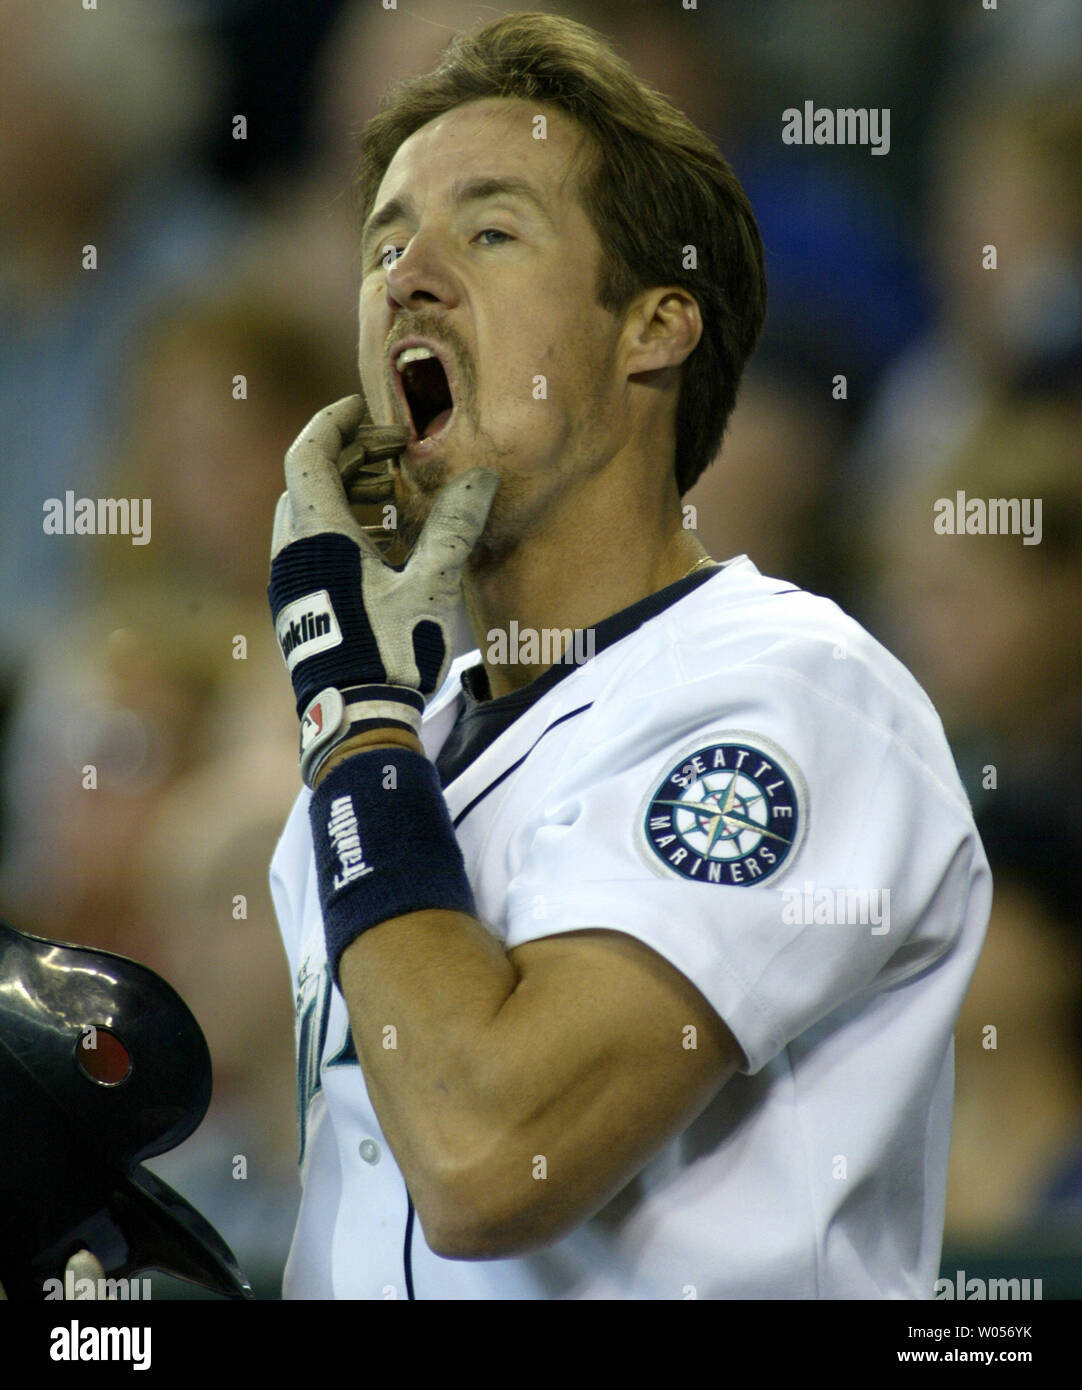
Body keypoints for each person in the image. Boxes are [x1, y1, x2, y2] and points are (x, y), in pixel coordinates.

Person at [267, 13, 990, 1300]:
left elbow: (490, 1160)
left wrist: (348, 713)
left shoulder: (791, 695)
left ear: (655, 326)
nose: (407, 277)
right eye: (385, 241)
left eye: (488, 231)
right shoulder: (377, 757)